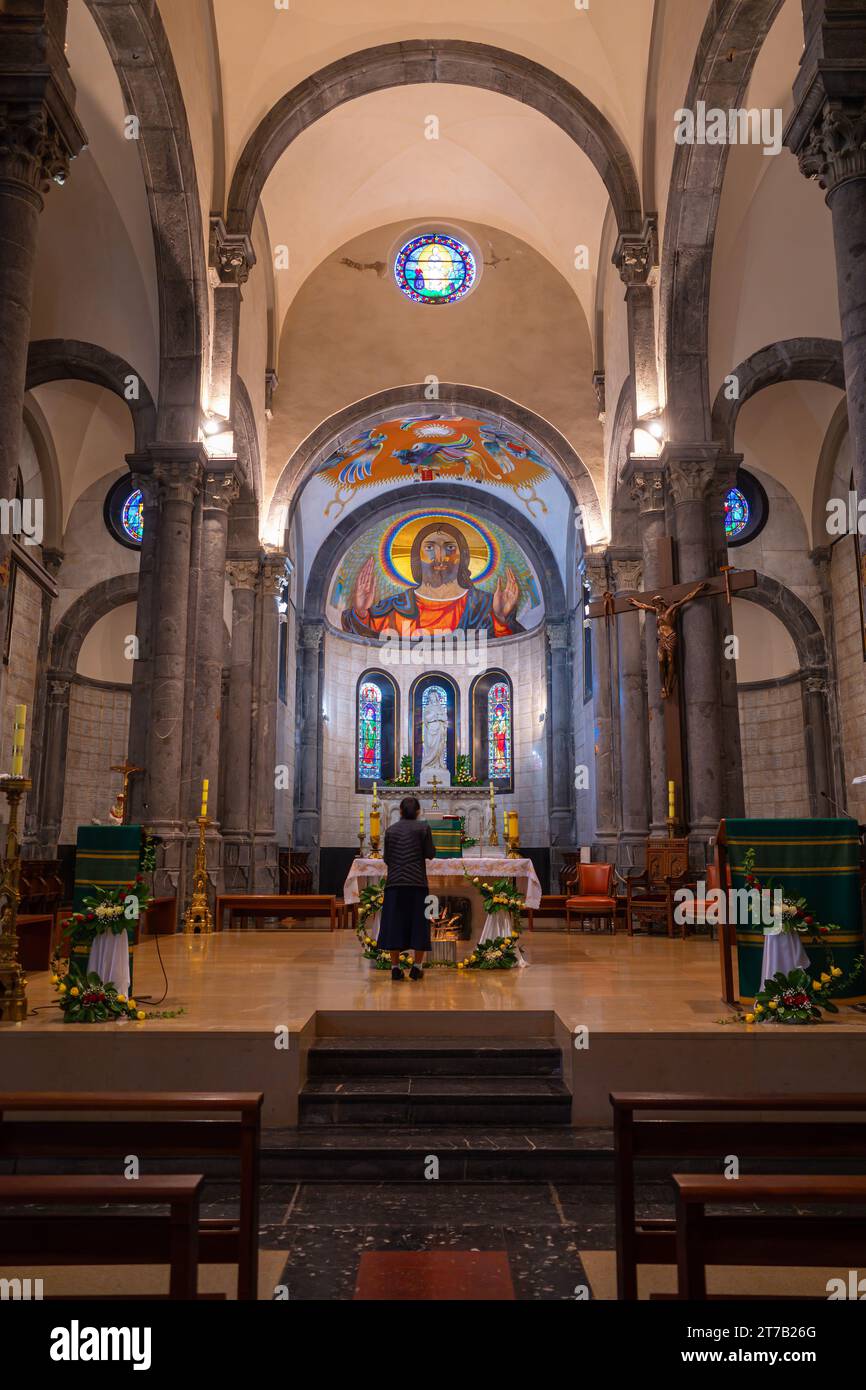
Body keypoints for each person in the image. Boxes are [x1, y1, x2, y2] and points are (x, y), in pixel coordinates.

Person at [378, 796, 435, 981]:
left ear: (400, 811)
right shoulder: (424, 827)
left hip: (394, 884)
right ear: (418, 812)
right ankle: (417, 967)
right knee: (420, 924)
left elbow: (386, 859)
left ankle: (395, 968)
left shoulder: (390, 830)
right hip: (417, 884)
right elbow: (430, 854)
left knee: (394, 924)